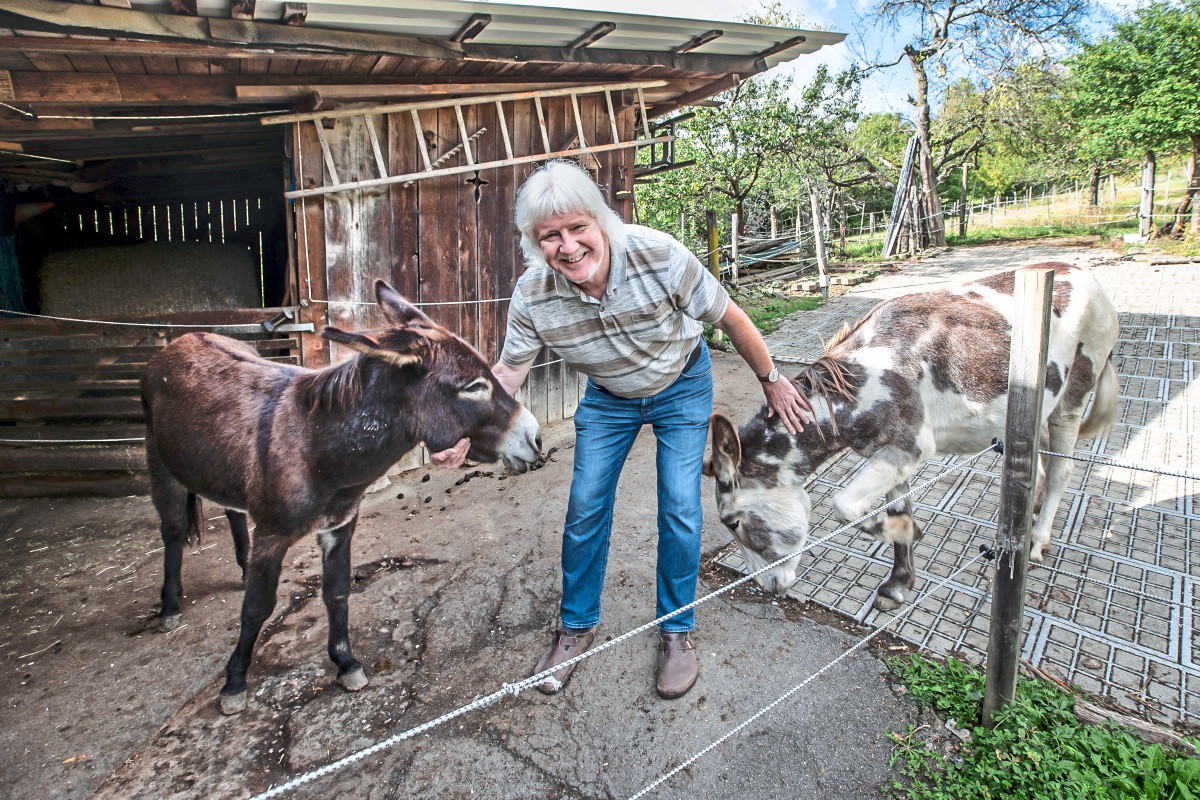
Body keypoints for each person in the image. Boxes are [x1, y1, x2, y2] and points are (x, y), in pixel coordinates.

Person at [432, 160, 809, 699]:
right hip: (609, 398)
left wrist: (772, 380)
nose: (567, 246)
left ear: (601, 221)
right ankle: (575, 627)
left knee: (679, 504)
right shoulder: (533, 294)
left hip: (681, 383)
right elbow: (509, 371)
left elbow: (731, 317)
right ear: (534, 244)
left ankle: (677, 631)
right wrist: (464, 426)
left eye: (577, 228)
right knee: (585, 504)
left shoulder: (659, 254)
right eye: (550, 236)